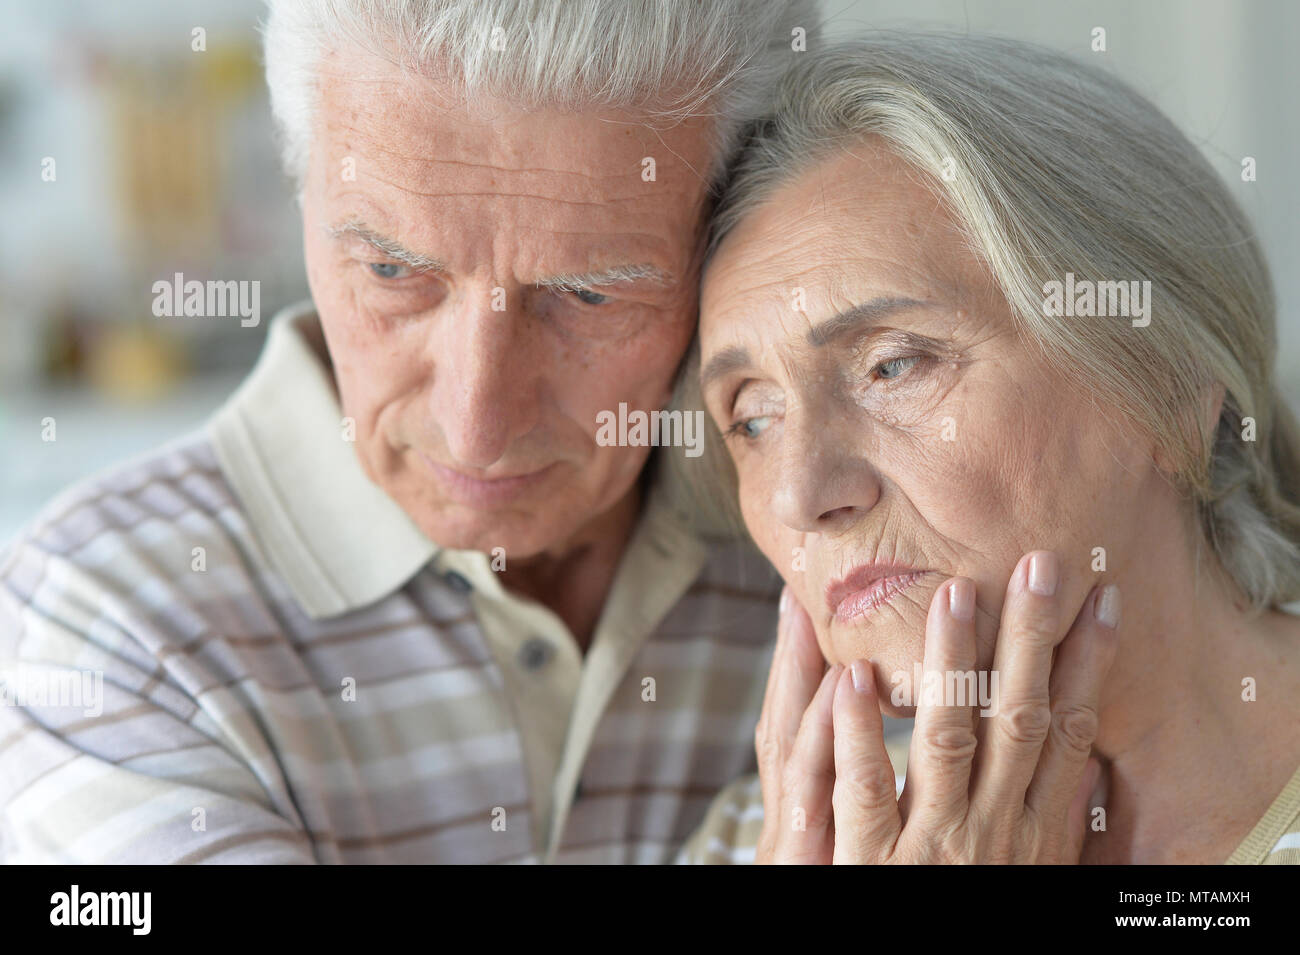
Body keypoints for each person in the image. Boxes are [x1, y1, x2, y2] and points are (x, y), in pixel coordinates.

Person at [0, 0, 816, 863]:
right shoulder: (96, 624)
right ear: (299, 197)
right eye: (392, 269)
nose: (476, 425)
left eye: (589, 293)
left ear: (735, 241)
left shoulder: (832, 554)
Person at [680, 32, 1300, 864]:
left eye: (892, 364)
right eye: (752, 418)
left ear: (1170, 384)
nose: (799, 493)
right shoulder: (760, 842)